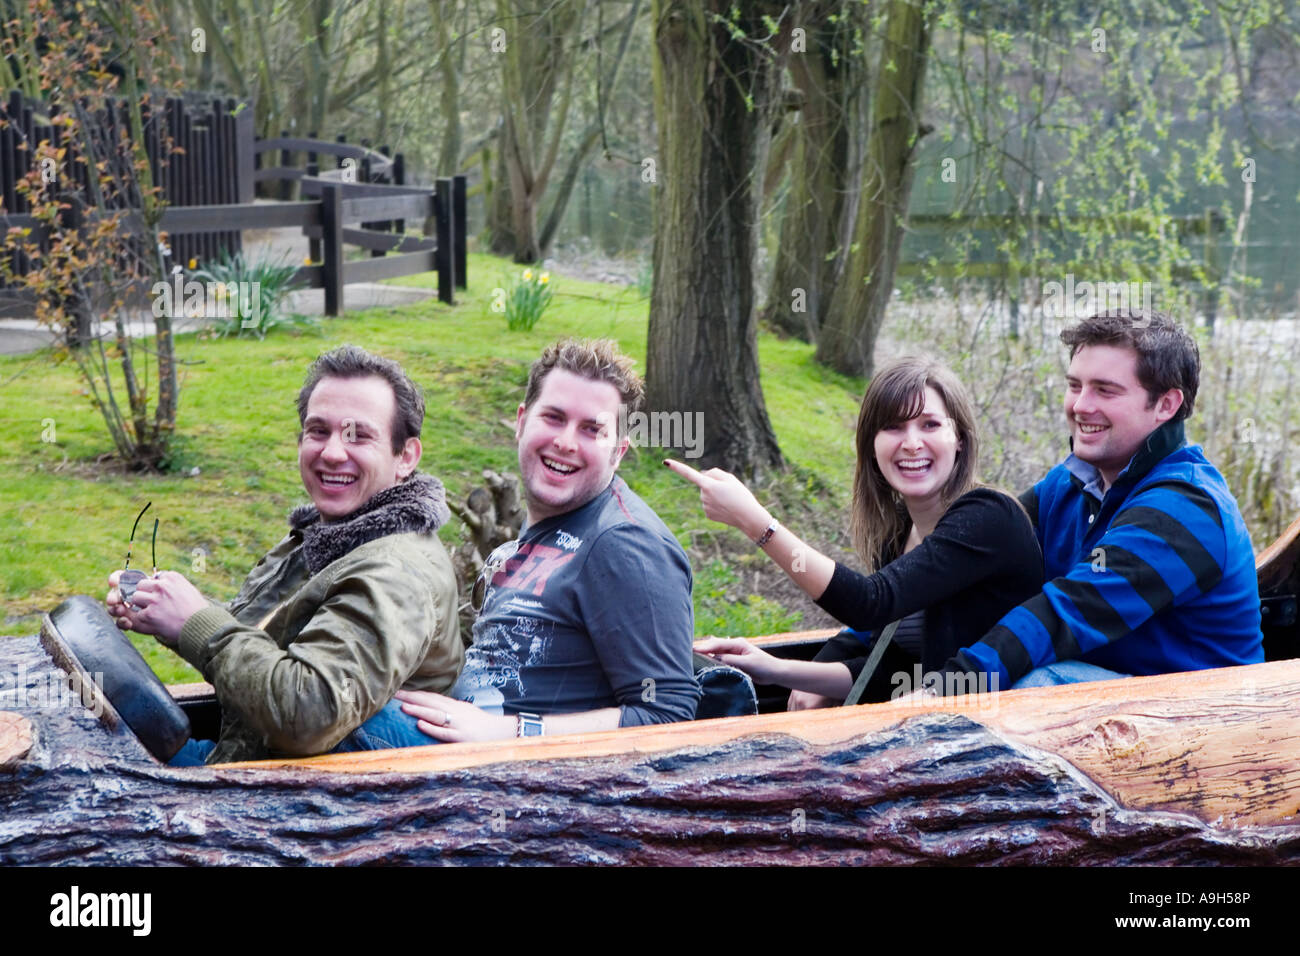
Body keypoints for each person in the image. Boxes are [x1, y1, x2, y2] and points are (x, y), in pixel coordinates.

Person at [106, 345, 463, 763]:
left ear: (405, 457)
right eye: (317, 430)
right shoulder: (331, 534)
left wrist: (196, 622)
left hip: (302, 804)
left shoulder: (394, 575)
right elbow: (264, 645)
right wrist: (168, 613)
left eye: (358, 435)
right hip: (253, 759)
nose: (332, 452)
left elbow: (309, 713)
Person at [668, 356, 1044, 705]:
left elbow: (868, 603)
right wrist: (773, 668)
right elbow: (894, 671)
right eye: (893, 427)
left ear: (959, 438)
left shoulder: (990, 518)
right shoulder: (898, 532)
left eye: (929, 424)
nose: (911, 443)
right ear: (872, 444)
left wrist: (756, 523)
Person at [382, 339, 701, 743]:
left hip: (524, 779)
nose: (566, 442)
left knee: (329, 720)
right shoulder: (556, 524)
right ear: (521, 422)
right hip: (462, 739)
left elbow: (669, 715)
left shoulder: (625, 544)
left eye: (591, 429)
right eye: (553, 417)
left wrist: (506, 731)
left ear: (618, 452)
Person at [931, 309, 1263, 692]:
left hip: (1206, 723)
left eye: (1105, 390)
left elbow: (1063, 614)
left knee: (1041, 685)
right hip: (1106, 703)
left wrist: (943, 695)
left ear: (1166, 405)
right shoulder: (1068, 484)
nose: (1080, 406)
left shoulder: (1184, 511)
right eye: (1075, 386)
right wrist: (868, 620)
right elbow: (968, 555)